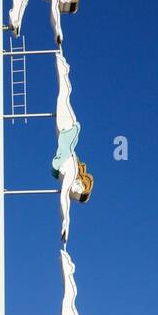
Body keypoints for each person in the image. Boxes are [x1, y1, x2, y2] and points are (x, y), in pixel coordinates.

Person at [51, 52, 93, 242]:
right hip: (66, 130)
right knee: (63, 95)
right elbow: (64, 201)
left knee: (65, 96)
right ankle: (61, 65)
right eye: (78, 193)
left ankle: (63, 68)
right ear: (80, 185)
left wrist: (66, 224)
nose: (73, 194)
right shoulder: (70, 173)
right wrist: (65, 224)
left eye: (76, 196)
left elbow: (66, 200)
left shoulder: (71, 173)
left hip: (68, 132)